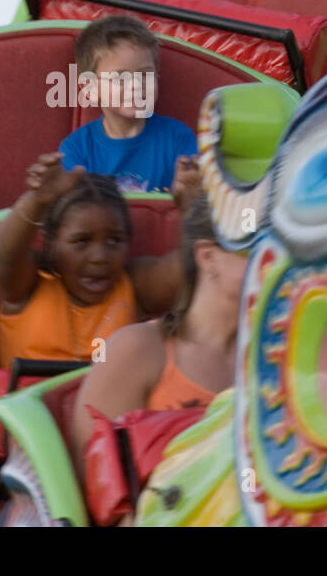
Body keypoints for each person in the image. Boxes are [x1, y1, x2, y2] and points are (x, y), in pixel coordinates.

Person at [71, 194, 247, 468]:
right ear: (208, 256)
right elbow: (101, 482)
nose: (274, 260)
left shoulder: (277, 354)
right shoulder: (135, 349)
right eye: (255, 247)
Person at [0, 153, 196, 369]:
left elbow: (190, 268)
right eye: (82, 241)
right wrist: (36, 201)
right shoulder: (25, 286)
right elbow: (6, 254)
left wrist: (194, 209)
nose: (100, 257)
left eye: (114, 241)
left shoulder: (133, 286)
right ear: (51, 243)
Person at [58, 15, 198, 194]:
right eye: (119, 77)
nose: (136, 85)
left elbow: (193, 205)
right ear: (90, 88)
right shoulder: (76, 149)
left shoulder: (179, 138)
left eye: (145, 74)